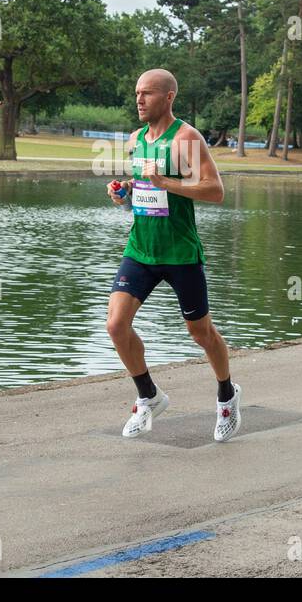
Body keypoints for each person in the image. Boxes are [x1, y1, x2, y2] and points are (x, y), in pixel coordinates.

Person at [105, 68, 240, 443]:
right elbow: (143, 184)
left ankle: (227, 395)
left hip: (180, 252)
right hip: (141, 249)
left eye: (147, 93)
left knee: (200, 332)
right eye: (136, 93)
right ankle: (148, 395)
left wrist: (166, 181)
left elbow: (215, 191)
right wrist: (124, 190)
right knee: (116, 325)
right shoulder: (136, 139)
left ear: (168, 97)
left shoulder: (186, 138)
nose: (139, 99)